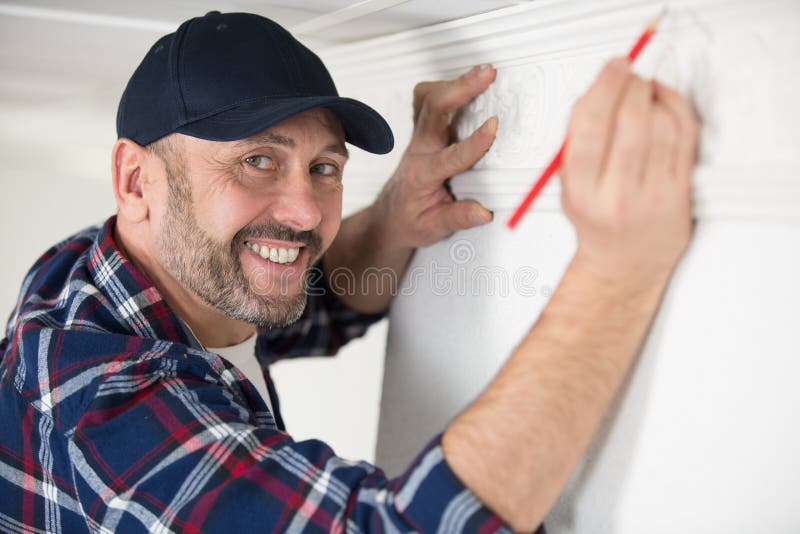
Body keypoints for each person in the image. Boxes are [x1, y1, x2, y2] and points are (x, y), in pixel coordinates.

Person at [0, 10, 697, 534]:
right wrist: (616, 271)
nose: (305, 212)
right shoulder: (102, 400)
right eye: (258, 161)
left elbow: (300, 300)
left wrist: (393, 219)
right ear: (136, 180)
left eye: (325, 168)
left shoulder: (103, 271)